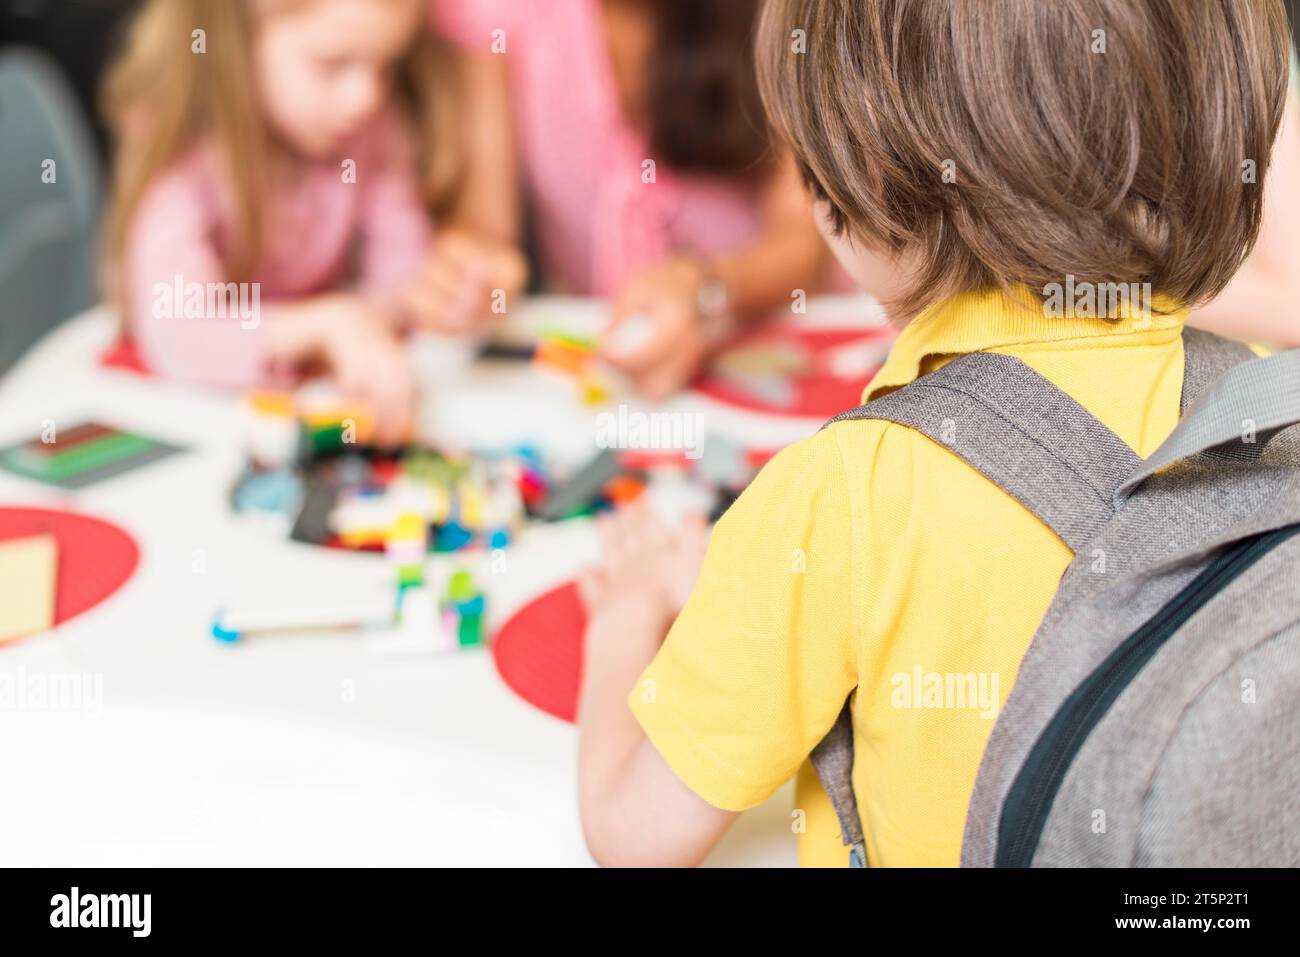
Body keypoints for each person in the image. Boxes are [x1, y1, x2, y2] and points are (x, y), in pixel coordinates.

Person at [575, 0, 1290, 866]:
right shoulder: (1259, 406)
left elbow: (630, 834)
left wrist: (624, 613)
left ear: (857, 193)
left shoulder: (841, 497)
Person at [432, 0, 839, 398]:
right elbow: (486, 225)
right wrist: (475, 274)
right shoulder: (501, 13)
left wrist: (701, 287)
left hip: (779, 354)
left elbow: (803, 245)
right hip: (607, 377)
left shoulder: (784, 15)